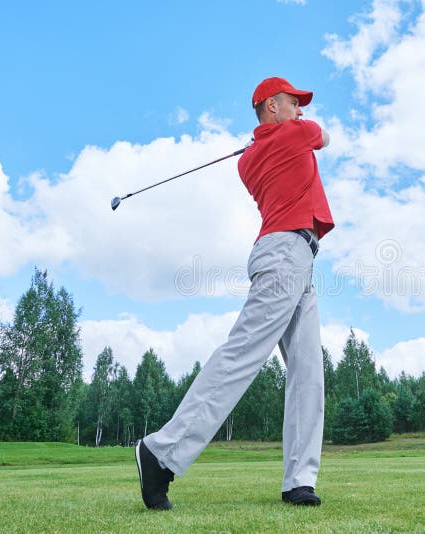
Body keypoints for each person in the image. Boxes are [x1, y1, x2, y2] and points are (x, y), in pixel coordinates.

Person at [135, 76, 334, 510]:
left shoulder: (249, 158)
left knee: (308, 371)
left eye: (300, 104)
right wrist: (280, 133)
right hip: (284, 253)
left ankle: (299, 479)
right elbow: (323, 136)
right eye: (293, 102)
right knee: (243, 353)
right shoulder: (296, 134)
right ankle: (162, 451)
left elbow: (278, 148)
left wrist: (264, 139)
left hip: (296, 256)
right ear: (271, 107)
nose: (300, 109)